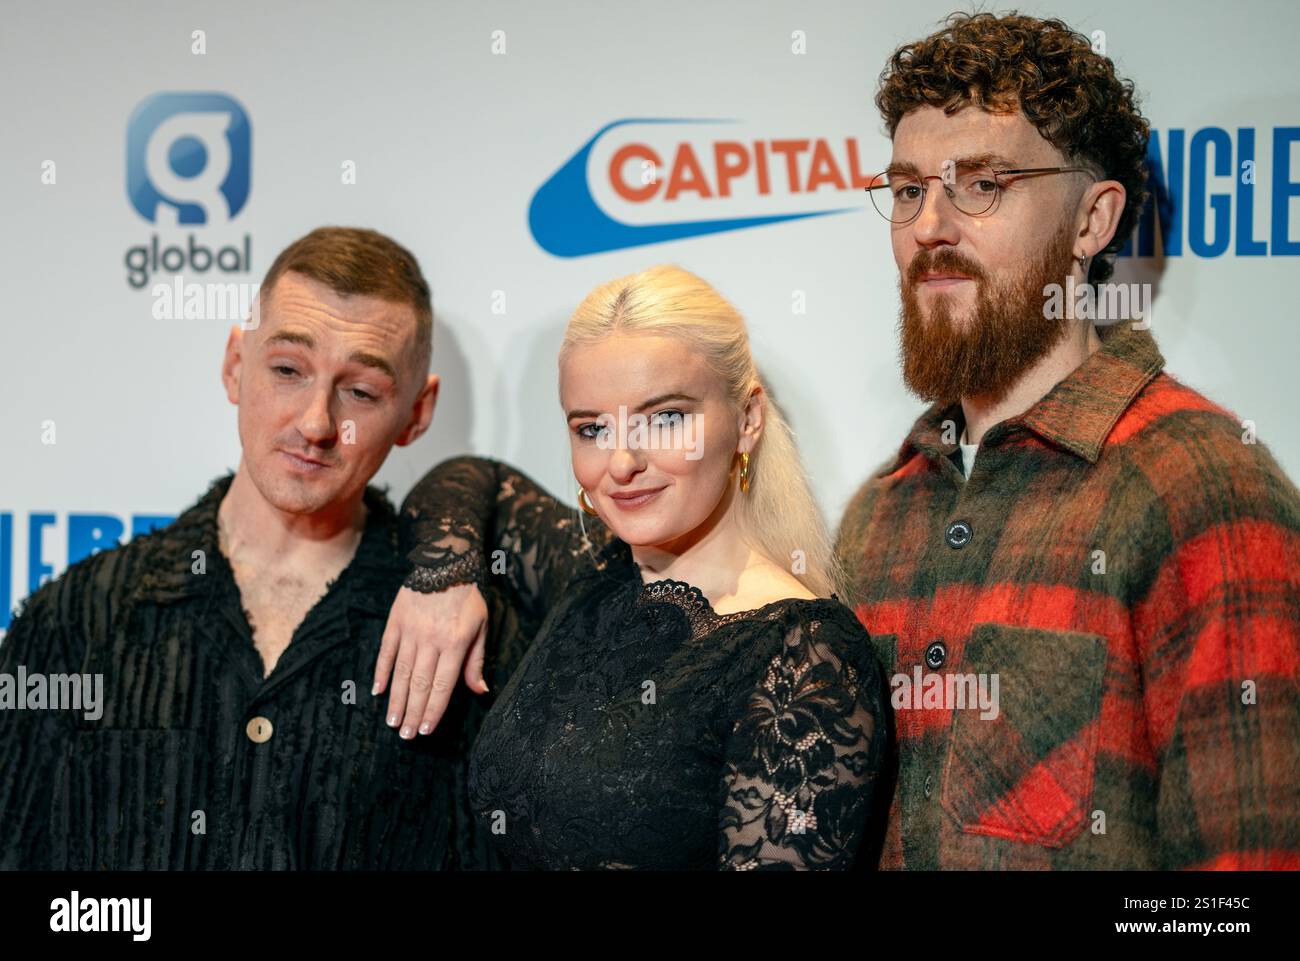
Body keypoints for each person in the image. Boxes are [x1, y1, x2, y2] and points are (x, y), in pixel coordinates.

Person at [835, 11, 1300, 869]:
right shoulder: (879, 512)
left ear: (1093, 221)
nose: (930, 225)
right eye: (908, 190)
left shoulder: (1201, 480)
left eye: (982, 184)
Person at [0, 226, 510, 869]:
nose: (317, 423)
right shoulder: (73, 619)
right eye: (288, 370)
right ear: (235, 365)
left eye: (360, 391)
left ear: (417, 412)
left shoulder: (466, 643)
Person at [379, 264, 888, 869]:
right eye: (592, 428)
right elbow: (470, 480)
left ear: (747, 419)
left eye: (665, 418)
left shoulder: (807, 657)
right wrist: (444, 582)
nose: (621, 463)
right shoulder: (593, 571)